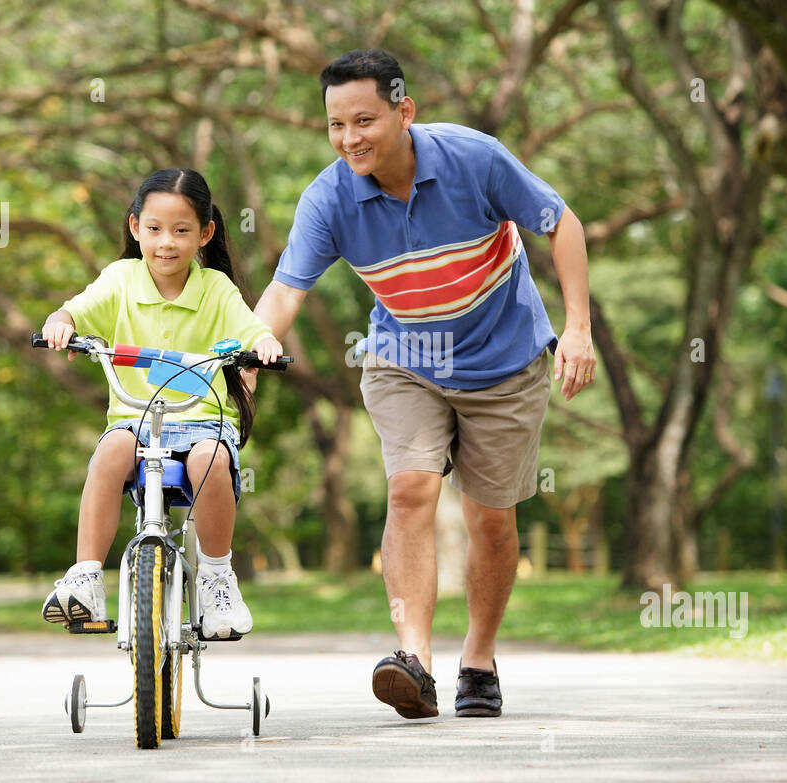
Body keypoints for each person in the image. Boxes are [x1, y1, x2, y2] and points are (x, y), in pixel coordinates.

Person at [251, 49, 595, 718]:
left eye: (364, 119)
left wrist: (577, 328)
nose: (349, 138)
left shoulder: (475, 159)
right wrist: (254, 343)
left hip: (506, 360)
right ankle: (413, 658)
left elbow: (563, 222)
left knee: (490, 520)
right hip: (405, 358)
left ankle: (479, 657)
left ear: (404, 111)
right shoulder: (329, 197)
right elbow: (285, 291)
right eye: (334, 125)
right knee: (410, 488)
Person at [40, 168, 283, 639]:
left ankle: (216, 576)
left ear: (205, 234)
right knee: (110, 452)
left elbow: (250, 327)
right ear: (135, 227)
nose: (166, 242)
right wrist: (61, 320)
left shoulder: (215, 288)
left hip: (202, 422)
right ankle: (86, 576)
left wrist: (264, 342)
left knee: (209, 458)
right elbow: (78, 307)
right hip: (136, 419)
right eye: (153, 229)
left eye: (181, 230)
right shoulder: (121, 279)